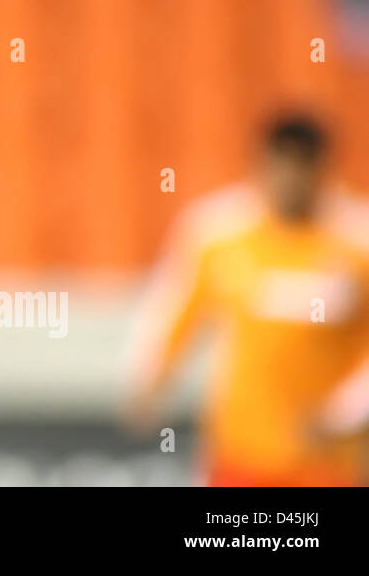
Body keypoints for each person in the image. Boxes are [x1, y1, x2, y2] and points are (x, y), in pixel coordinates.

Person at [124, 113, 369, 486]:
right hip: (241, 448)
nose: (291, 179)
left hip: (328, 456)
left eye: (302, 165)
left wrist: (342, 414)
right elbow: (175, 309)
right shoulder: (218, 232)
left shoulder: (355, 240)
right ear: (260, 164)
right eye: (281, 164)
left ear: (322, 170)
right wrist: (151, 377)